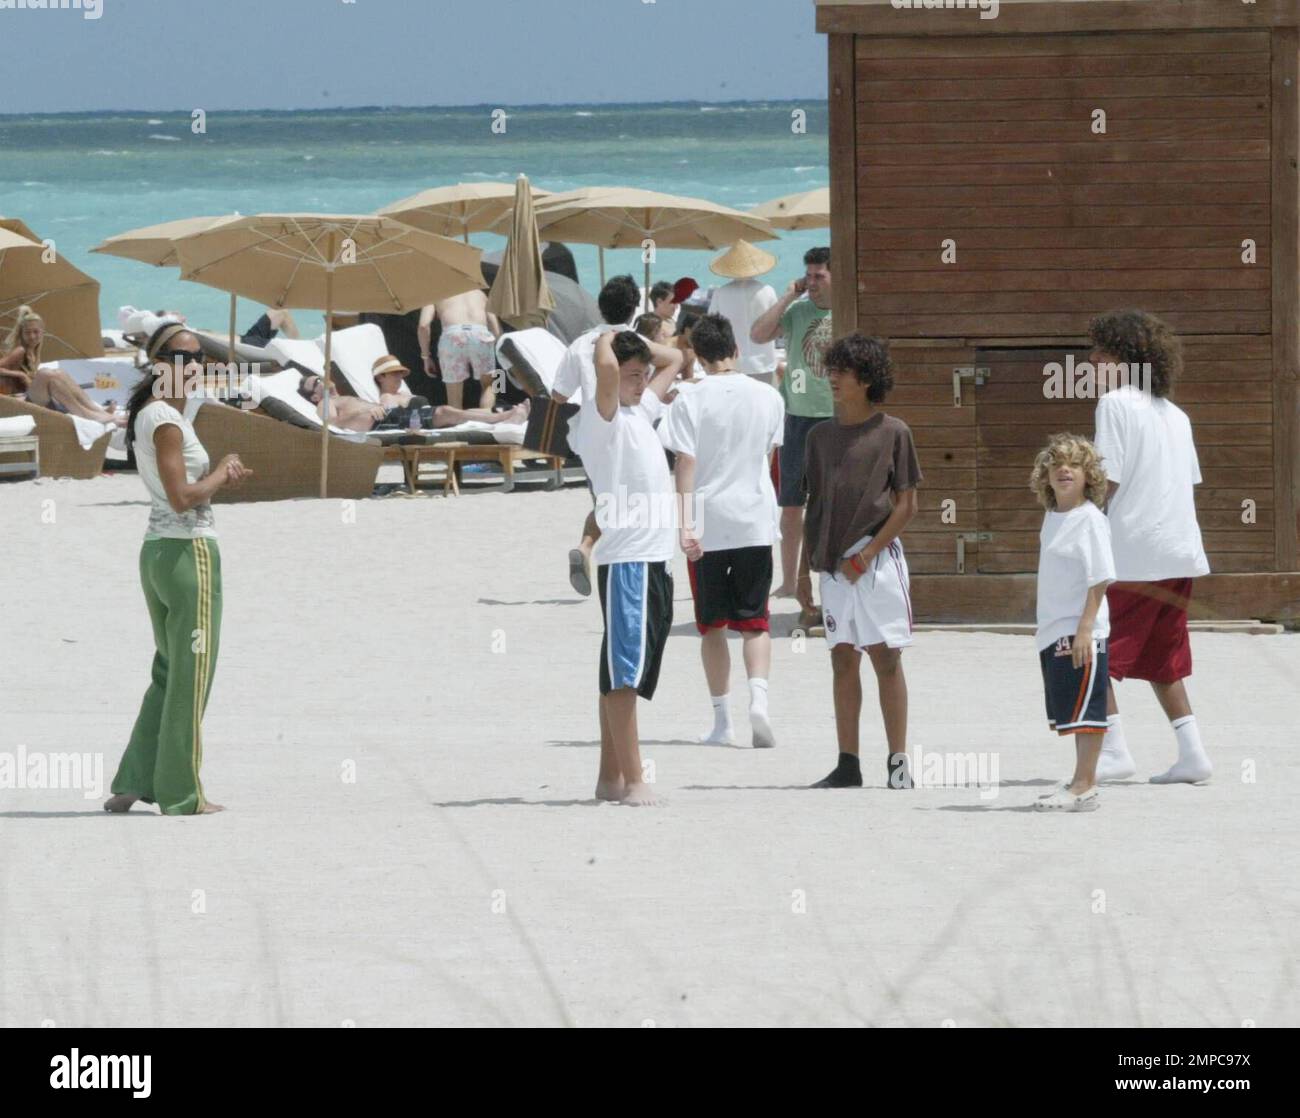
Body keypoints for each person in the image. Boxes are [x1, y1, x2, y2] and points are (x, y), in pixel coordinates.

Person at [105, 319, 253, 816]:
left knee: (168, 672)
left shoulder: (155, 411)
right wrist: (218, 473)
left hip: (158, 553)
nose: (196, 367)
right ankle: (181, 794)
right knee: (191, 677)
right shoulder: (165, 418)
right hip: (188, 552)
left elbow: (181, 489)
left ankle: (132, 780)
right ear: (161, 364)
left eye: (199, 359)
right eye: (184, 359)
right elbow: (184, 497)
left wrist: (217, 475)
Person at [1089, 310, 1213, 785]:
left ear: (1125, 357)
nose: (1092, 358)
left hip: (1133, 551)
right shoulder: (1176, 414)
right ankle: (1193, 753)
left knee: (1094, 649)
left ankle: (1115, 752)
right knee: (1165, 658)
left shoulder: (1115, 404)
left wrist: (1078, 523)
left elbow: (1108, 480)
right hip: (1181, 549)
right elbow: (1189, 482)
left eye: (1101, 351)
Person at [799, 334, 920, 790]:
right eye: (832, 368)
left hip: (878, 562)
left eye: (842, 370)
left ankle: (898, 764)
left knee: (886, 658)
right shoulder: (817, 437)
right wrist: (801, 570)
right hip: (831, 567)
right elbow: (812, 505)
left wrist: (867, 555)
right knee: (841, 660)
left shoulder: (894, 432)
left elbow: (908, 505)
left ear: (866, 379)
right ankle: (847, 764)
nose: (833, 377)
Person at [569, 329, 683, 806]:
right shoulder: (601, 419)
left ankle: (610, 777)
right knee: (624, 673)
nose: (640, 381)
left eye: (642, 374)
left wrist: (641, 348)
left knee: (619, 666)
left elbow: (675, 357)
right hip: (629, 559)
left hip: (655, 556)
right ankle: (635, 779)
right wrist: (606, 336)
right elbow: (609, 371)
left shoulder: (640, 411)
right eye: (633, 375)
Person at [660, 314, 784, 748]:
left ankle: (722, 721)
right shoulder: (769, 396)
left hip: (709, 523)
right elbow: (767, 455)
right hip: (754, 517)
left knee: (712, 626)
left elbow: (685, 465)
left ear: (697, 354)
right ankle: (760, 702)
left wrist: (685, 524)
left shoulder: (689, 400)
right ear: (734, 349)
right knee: (755, 621)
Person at [1029, 434, 1117, 813]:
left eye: (1074, 465)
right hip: (1053, 630)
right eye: (1056, 464)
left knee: (1087, 710)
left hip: (1080, 631)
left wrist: (1085, 628)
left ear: (1088, 476)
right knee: (1069, 711)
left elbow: (1100, 578)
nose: (1064, 470)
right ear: (1045, 475)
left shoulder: (1090, 520)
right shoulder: (1052, 518)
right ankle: (1080, 780)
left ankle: (1085, 785)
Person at [751, 247, 834, 618]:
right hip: (798, 417)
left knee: (832, 503)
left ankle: (827, 576)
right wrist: (789, 293)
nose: (813, 283)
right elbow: (758, 334)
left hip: (835, 417)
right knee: (791, 505)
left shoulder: (847, 310)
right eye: (810, 276)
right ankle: (788, 580)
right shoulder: (798, 310)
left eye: (820, 276)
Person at [551, 274, 642, 596]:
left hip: (591, 436)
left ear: (600, 309)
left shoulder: (580, 344)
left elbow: (559, 395)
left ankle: (587, 548)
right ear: (633, 309)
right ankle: (609, 559)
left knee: (606, 499)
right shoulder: (639, 343)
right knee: (633, 503)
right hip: (632, 431)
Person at [1, 306, 127, 426]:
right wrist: (20, 374)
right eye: (27, 333)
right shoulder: (20, 350)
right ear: (21, 334)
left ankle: (97, 411)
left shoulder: (34, 352)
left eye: (36, 332)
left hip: (32, 398)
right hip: (19, 402)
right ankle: (88, 414)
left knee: (58, 374)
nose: (32, 336)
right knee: (46, 373)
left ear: (42, 332)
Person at [297, 371, 525, 433]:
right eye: (315, 382)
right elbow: (332, 424)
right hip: (382, 422)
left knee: (448, 412)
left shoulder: (346, 395)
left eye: (318, 375)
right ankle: (502, 418)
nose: (320, 379)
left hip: (390, 416)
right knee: (446, 412)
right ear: (315, 396)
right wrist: (367, 413)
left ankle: (502, 416)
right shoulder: (324, 402)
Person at [706, 240, 779, 384]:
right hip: (763, 361)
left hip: (732, 363)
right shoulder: (767, 291)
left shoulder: (721, 293)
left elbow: (712, 326)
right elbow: (778, 323)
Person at [419, 287, 501, 411]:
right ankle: (487, 417)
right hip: (481, 334)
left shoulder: (435, 292)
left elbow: (423, 325)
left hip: (452, 336)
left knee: (454, 392)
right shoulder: (480, 294)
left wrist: (425, 357)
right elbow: (496, 329)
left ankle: (456, 426)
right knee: (490, 385)